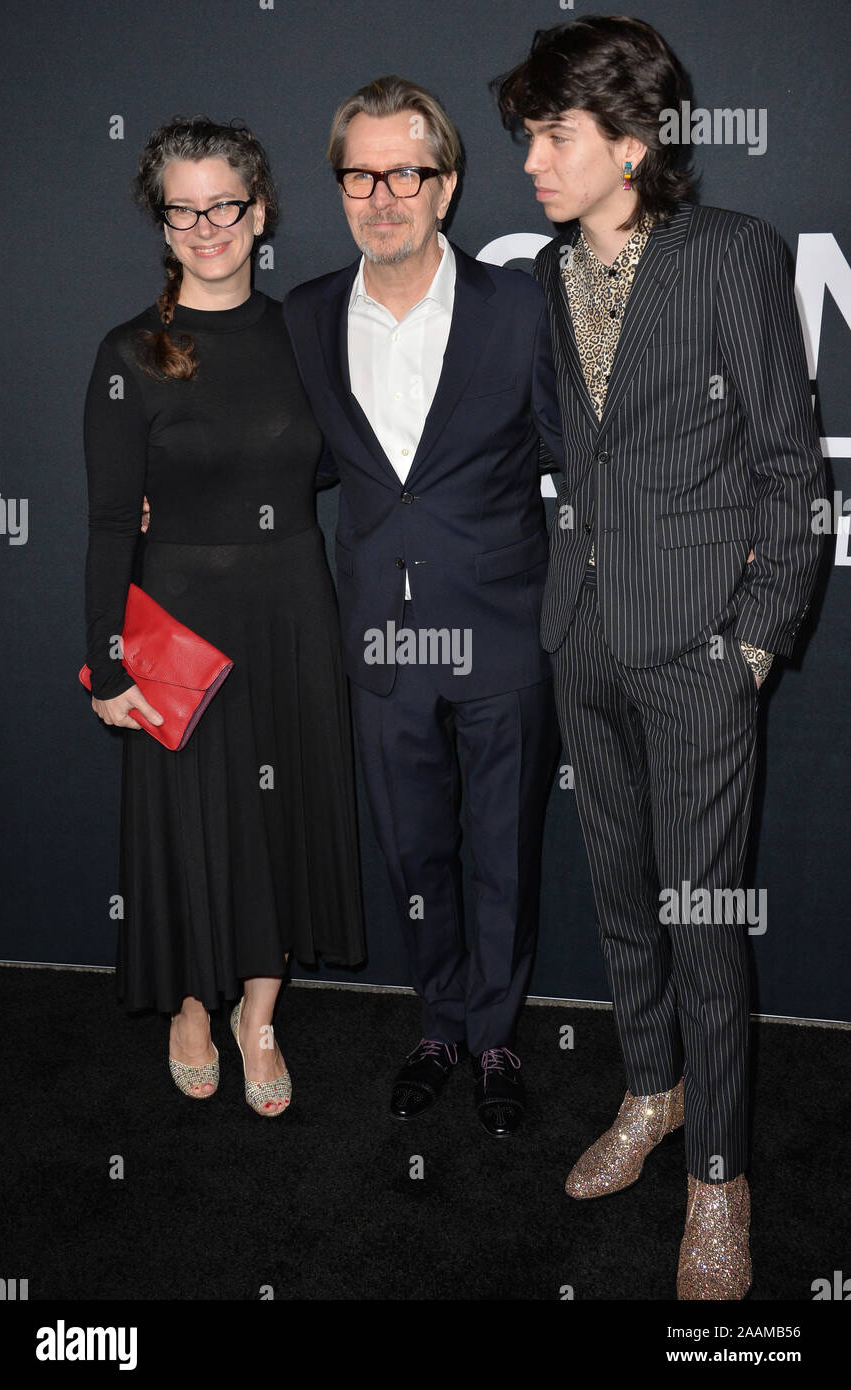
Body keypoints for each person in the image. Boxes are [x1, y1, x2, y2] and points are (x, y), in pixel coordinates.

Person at [494, 15, 823, 1294]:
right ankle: (650, 1092)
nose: (532, 157)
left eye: (554, 133)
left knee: (701, 923)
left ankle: (720, 1179)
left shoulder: (731, 256)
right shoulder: (533, 280)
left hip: (697, 649)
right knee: (623, 902)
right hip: (581, 635)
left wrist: (752, 643)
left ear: (631, 142)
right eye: (527, 132)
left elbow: (792, 473)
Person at [283, 77, 565, 1137]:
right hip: (380, 639)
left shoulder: (523, 305)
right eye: (360, 173)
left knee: (502, 847)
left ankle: (495, 1037)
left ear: (444, 186)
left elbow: (581, 450)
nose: (381, 195)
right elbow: (294, 459)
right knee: (413, 853)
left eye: (406, 172)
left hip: (502, 629)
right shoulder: (308, 314)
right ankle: (437, 1025)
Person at [84, 117, 364, 1116]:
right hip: (179, 625)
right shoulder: (131, 351)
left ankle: (258, 1014)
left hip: (290, 608)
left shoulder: (305, 335)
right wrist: (107, 664)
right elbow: (113, 518)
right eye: (183, 209)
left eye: (225, 206)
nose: (207, 226)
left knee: (279, 820)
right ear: (162, 221)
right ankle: (191, 1008)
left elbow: (343, 462)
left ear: (260, 211)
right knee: (191, 827)